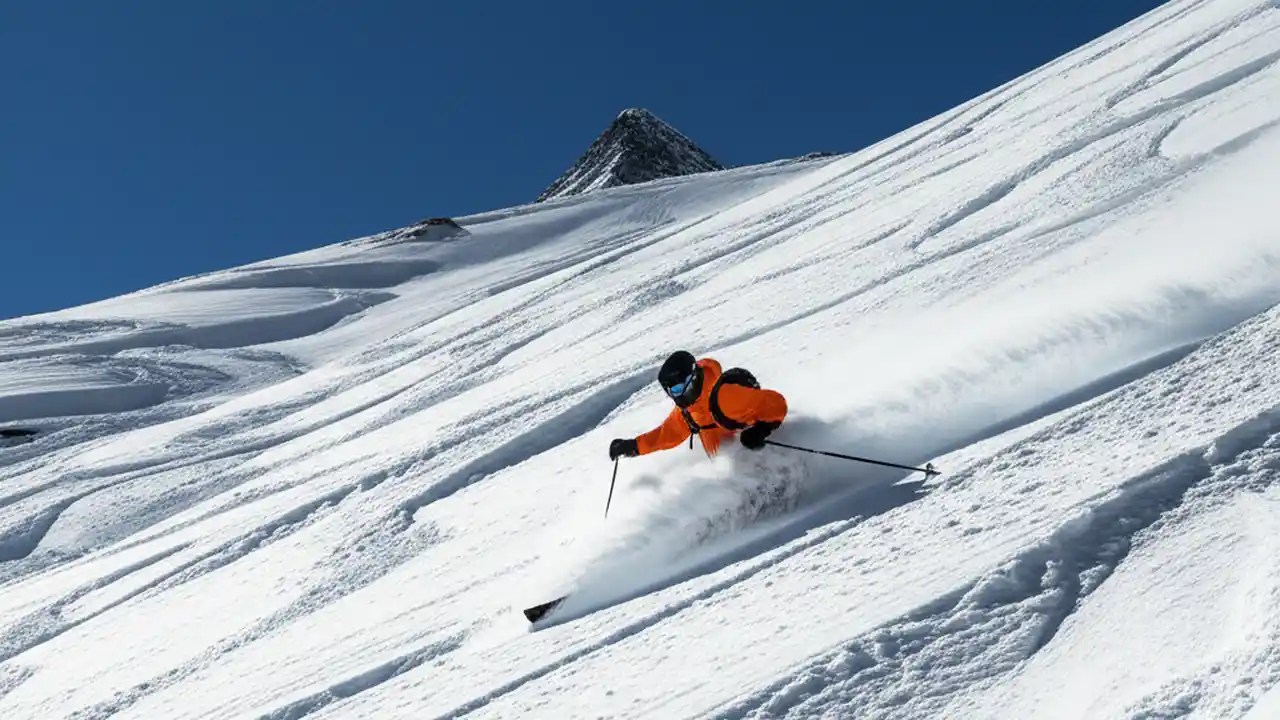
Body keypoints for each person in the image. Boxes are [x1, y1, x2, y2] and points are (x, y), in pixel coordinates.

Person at [610, 350, 787, 461]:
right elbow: (667, 434)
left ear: (694, 378)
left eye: (680, 387)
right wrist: (633, 446)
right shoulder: (689, 411)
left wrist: (761, 431)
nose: (678, 395)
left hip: (768, 459)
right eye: (672, 391)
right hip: (735, 474)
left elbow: (776, 403)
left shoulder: (725, 395)